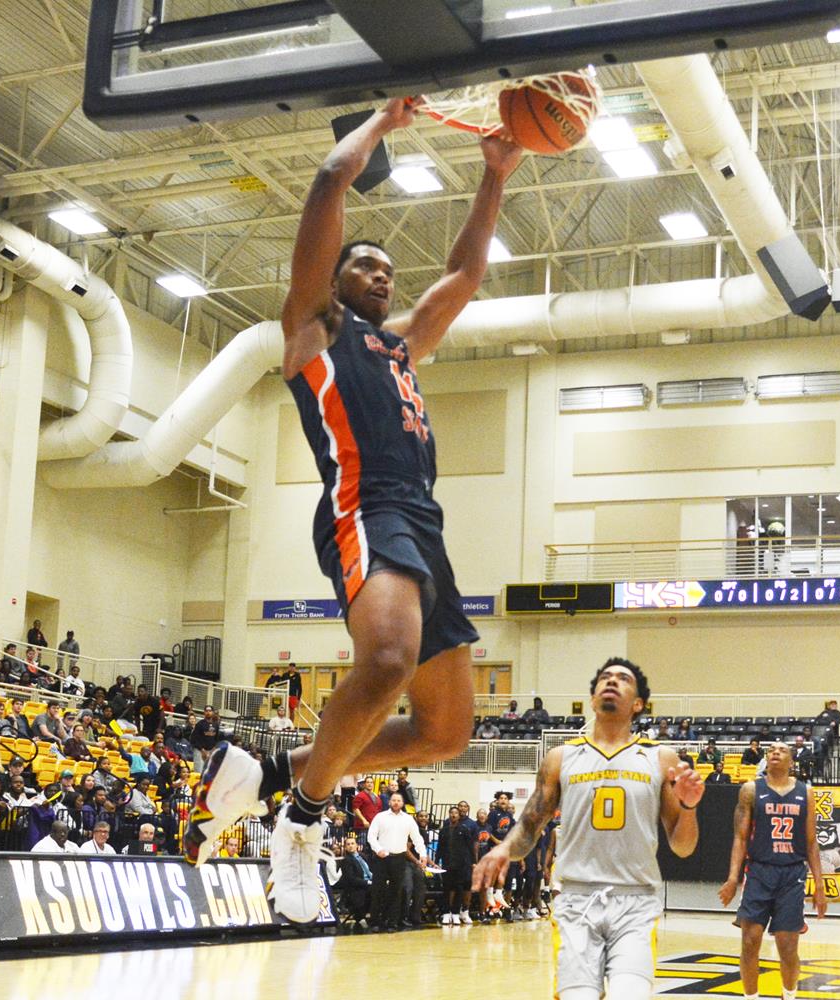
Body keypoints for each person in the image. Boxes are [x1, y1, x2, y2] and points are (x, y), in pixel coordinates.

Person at [177, 99, 524, 921]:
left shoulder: (398, 345)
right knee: (387, 662)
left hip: (423, 523)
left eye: (386, 271)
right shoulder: (313, 331)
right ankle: (300, 818)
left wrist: (494, 176)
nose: (382, 274)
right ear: (332, 281)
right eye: (365, 265)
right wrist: (383, 121)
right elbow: (334, 176)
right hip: (364, 509)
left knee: (446, 733)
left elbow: (465, 278)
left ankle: (270, 772)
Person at [475, 658, 704, 1000]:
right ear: (594, 697)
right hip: (577, 897)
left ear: (638, 704)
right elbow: (530, 826)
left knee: (630, 994)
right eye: (604, 678)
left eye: (623, 679)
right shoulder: (561, 757)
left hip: (635, 899)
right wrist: (504, 848)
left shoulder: (661, 758)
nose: (612, 681)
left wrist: (688, 808)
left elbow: (683, 847)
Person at [720, 742, 824, 1000]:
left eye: (782, 750)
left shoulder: (806, 792)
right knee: (749, 941)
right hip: (759, 871)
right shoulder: (751, 790)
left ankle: (788, 996)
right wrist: (733, 877)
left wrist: (820, 885)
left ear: (792, 761)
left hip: (792, 875)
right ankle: (750, 997)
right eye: (771, 750)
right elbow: (740, 838)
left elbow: (811, 841)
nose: (775, 752)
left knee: (788, 945)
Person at [366, 791, 426, 931]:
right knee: (378, 890)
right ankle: (375, 921)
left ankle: (392, 923)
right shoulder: (380, 817)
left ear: (402, 803)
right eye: (393, 800)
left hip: (399, 858)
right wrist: (378, 849)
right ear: (389, 802)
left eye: (399, 800)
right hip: (382, 858)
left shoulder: (408, 819)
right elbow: (371, 836)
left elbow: (417, 839)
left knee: (397, 891)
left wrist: (423, 855)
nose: (396, 803)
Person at [439, 802, 480, 925]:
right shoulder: (444, 830)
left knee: (459, 888)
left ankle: (456, 914)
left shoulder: (465, 829)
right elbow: (440, 848)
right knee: (447, 888)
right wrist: (436, 862)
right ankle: (446, 913)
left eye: (456, 813)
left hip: (461, 865)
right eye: (452, 813)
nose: (454, 815)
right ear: (449, 815)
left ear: (459, 815)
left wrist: (473, 862)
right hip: (447, 864)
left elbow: (470, 847)